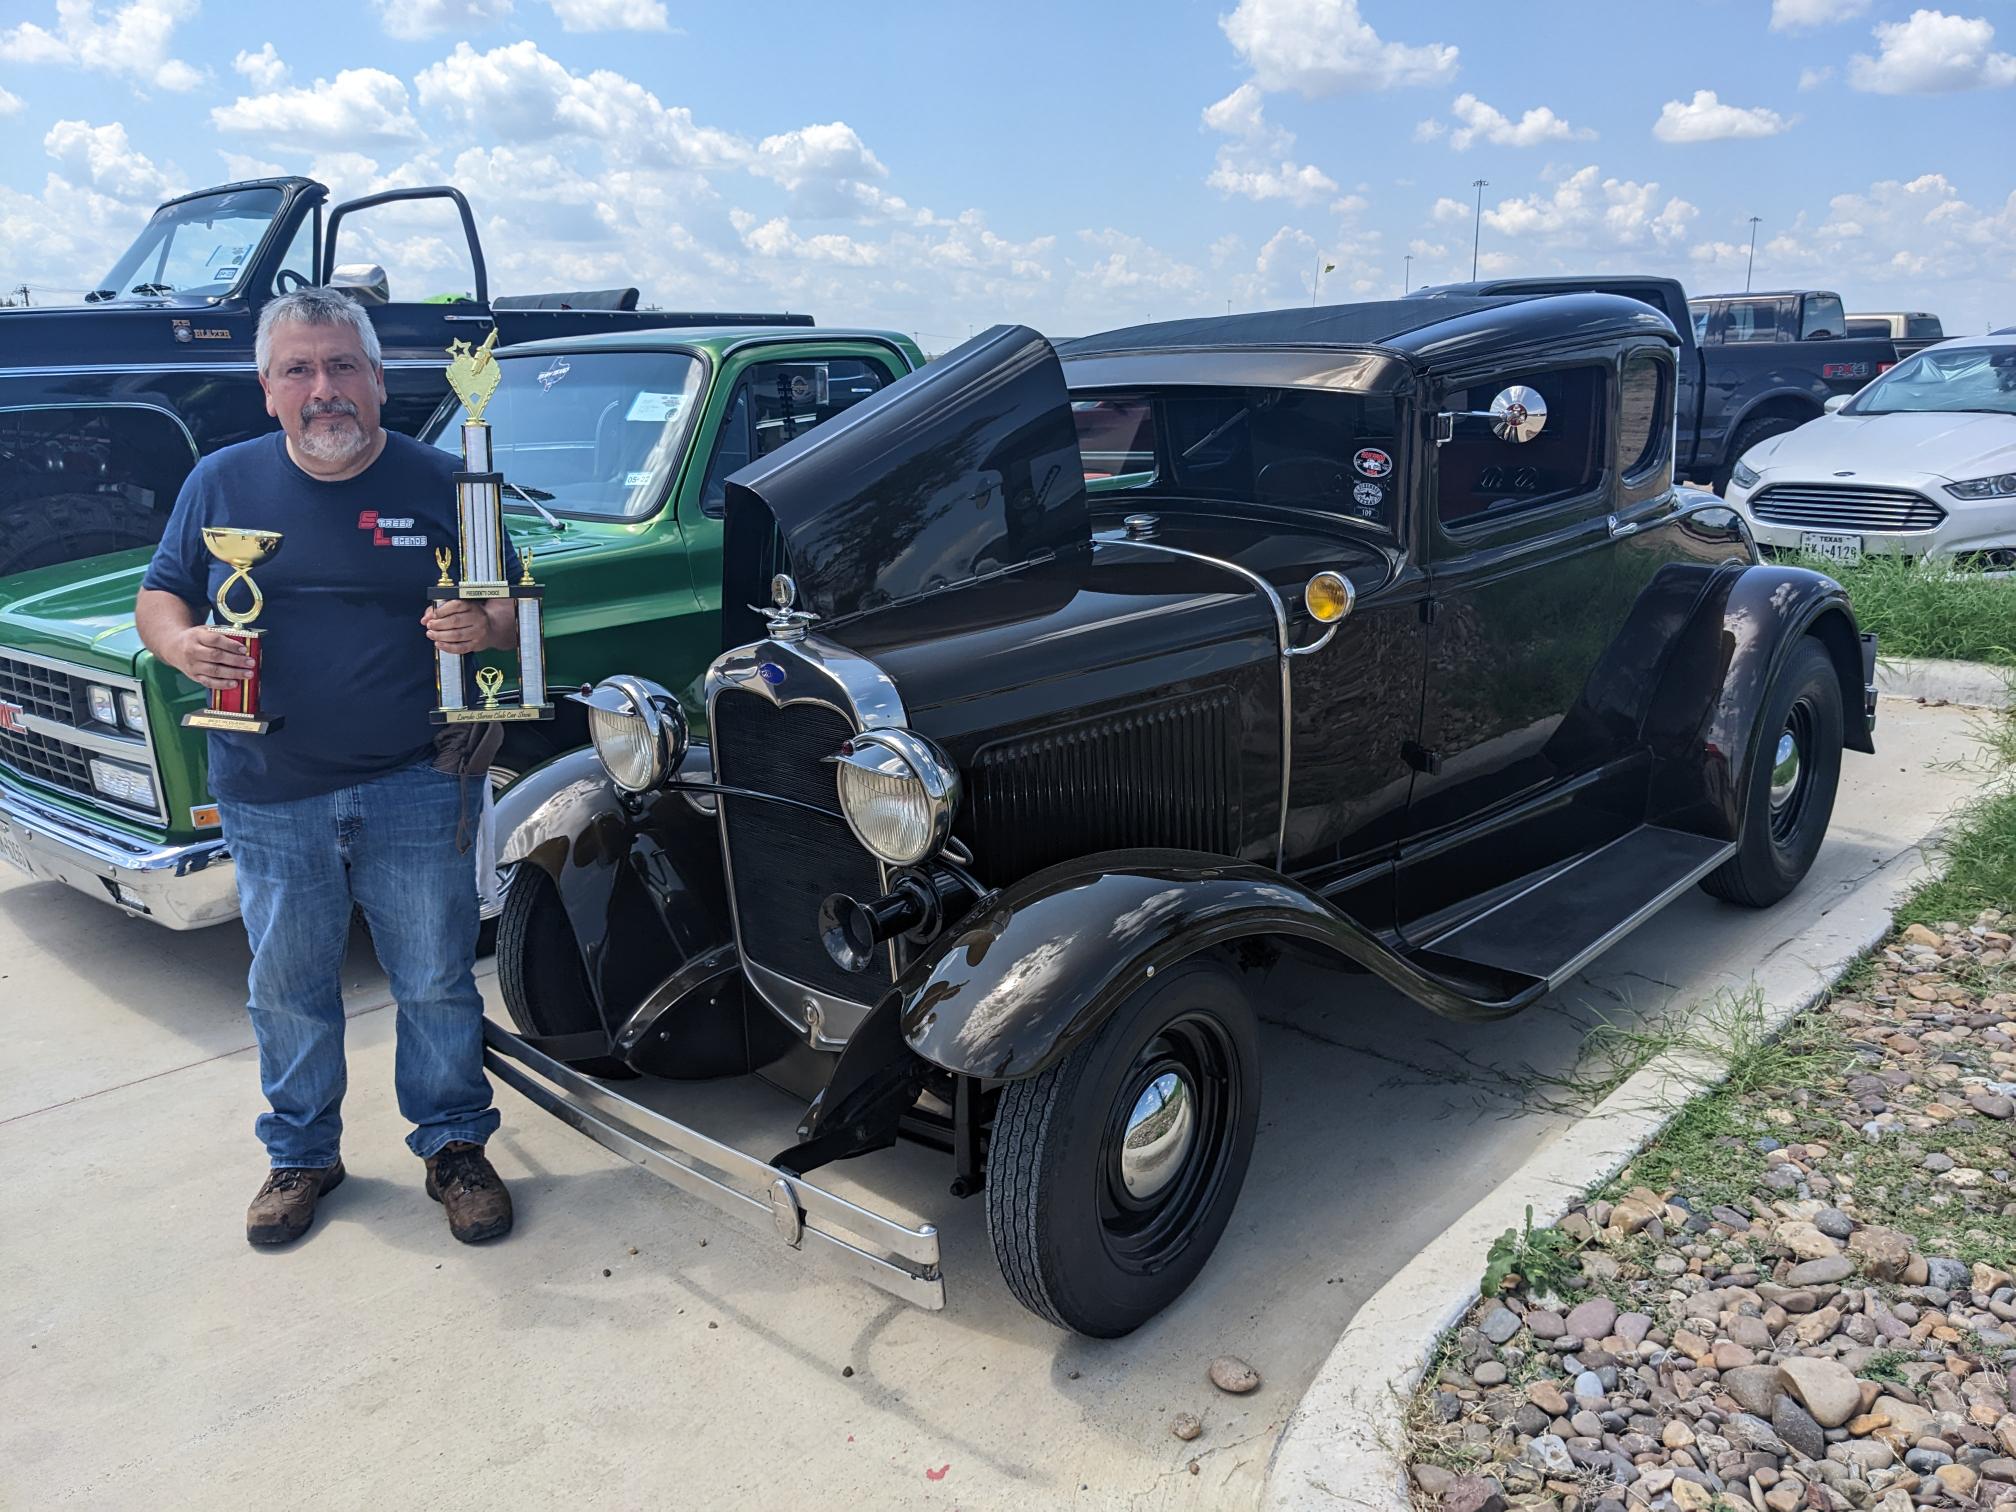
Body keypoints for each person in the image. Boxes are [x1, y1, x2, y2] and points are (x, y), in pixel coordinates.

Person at [136, 288, 517, 1247]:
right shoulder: (220, 484)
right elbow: (161, 598)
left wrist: (483, 624)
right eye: (299, 370)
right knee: (287, 983)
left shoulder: (447, 480)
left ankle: (454, 1144)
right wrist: (185, 650)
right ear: (267, 389)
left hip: (417, 778)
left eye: (344, 366)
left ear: (380, 380)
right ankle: (301, 1153)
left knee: (434, 975)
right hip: (270, 791)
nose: (324, 389)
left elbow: (509, 605)